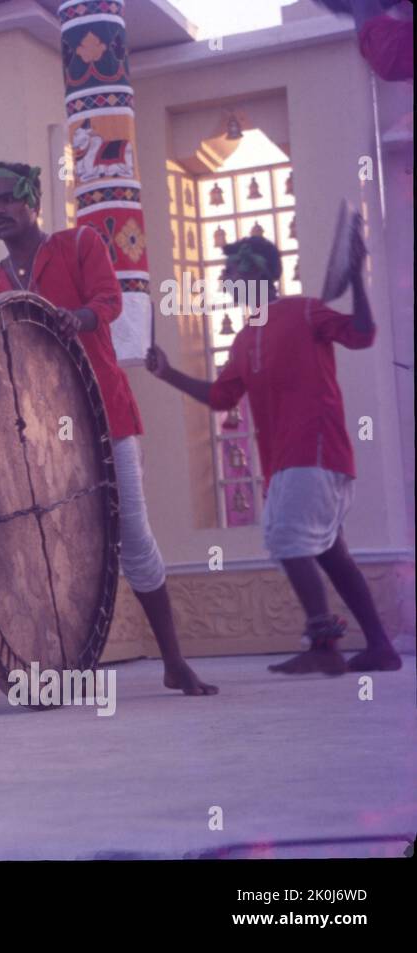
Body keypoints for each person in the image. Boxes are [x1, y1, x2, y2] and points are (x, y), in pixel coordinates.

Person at [0, 161, 217, 695]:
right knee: (48, 543)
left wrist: (76, 318)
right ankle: (59, 670)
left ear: (32, 200)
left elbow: (109, 302)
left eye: (7, 199)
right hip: (42, 436)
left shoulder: (79, 244)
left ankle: (174, 662)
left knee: (132, 535)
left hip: (108, 415)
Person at [146, 232, 402, 675]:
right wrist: (167, 373)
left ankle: (325, 644)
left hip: (316, 452)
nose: (225, 278)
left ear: (258, 274)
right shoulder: (244, 337)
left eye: (233, 271)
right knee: (329, 553)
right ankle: (380, 646)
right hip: (288, 461)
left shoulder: (305, 310)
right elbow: (222, 397)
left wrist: (358, 280)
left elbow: (362, 334)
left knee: (285, 537)